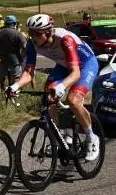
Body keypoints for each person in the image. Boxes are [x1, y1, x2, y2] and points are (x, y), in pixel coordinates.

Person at [6, 13, 101, 161]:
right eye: (30, 32)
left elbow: (75, 74)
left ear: (49, 32)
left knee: (73, 100)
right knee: (48, 94)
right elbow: (29, 72)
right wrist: (15, 86)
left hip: (85, 65)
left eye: (36, 33)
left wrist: (62, 86)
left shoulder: (65, 40)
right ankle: (62, 135)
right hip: (64, 65)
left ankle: (91, 137)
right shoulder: (32, 43)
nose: (32, 37)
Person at [0, 15, 26, 93]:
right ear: (14, 23)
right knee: (16, 77)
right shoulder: (18, 34)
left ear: (5, 23)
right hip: (15, 59)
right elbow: (24, 47)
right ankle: (13, 93)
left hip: (1, 59)